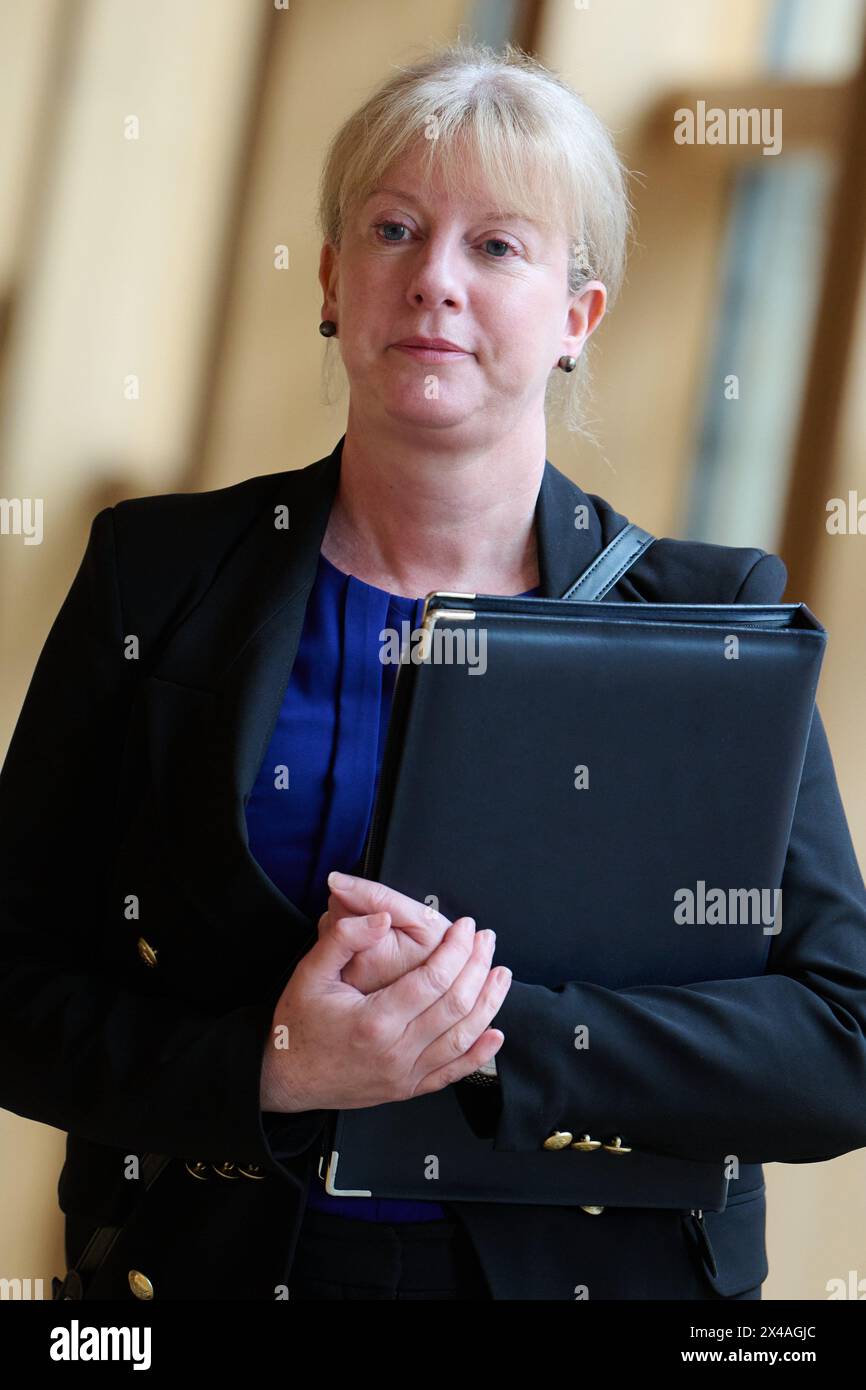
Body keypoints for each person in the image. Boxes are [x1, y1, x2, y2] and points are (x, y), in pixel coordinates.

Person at [2, 39, 866, 1303]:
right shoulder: (155, 573)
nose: (435, 283)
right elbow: (14, 979)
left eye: (498, 246)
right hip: (213, 1273)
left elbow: (838, 1041)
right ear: (333, 281)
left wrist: (487, 1032)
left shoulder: (708, 616)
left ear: (577, 318)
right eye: (395, 229)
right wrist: (278, 1064)